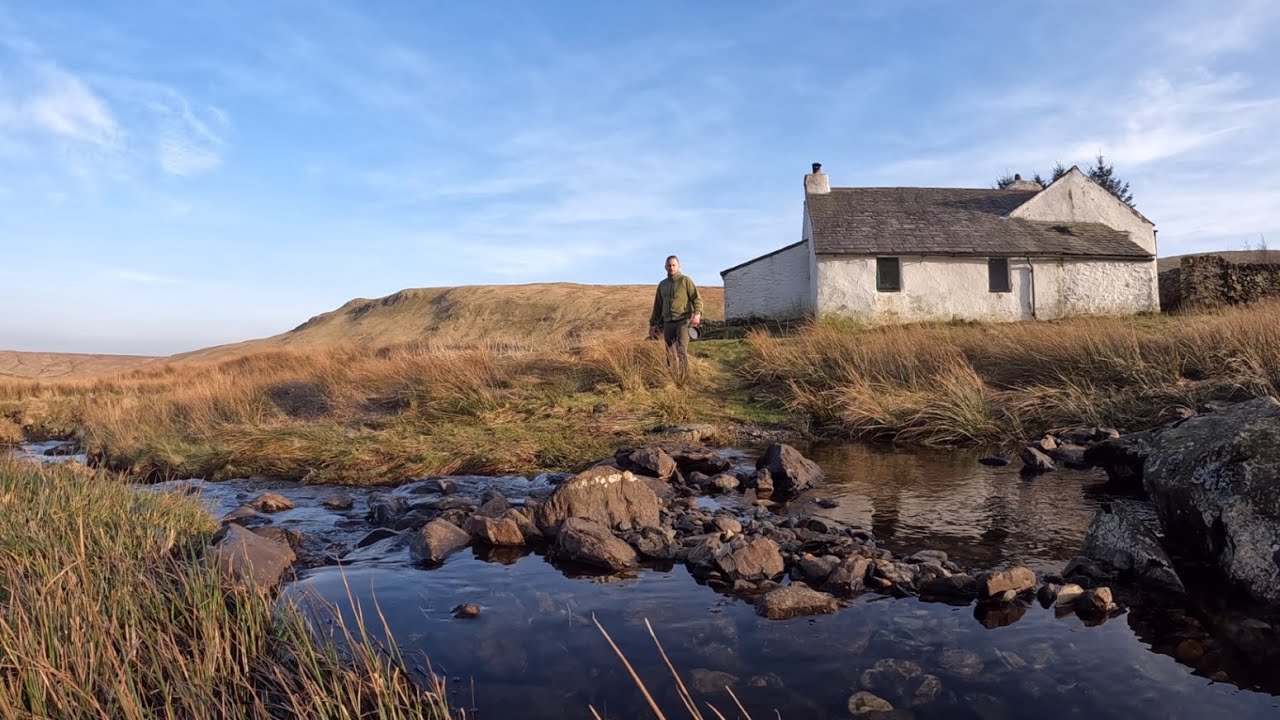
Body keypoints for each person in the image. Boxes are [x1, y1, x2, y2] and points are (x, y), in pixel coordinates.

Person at [648, 255, 703, 379]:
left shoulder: (685, 281)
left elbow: (696, 298)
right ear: (665, 267)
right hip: (668, 322)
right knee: (669, 351)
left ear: (679, 266)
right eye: (669, 265)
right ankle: (672, 378)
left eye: (674, 265)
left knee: (681, 349)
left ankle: (684, 379)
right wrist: (652, 324)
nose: (671, 267)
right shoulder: (662, 285)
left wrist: (697, 314)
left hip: (684, 320)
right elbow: (657, 307)